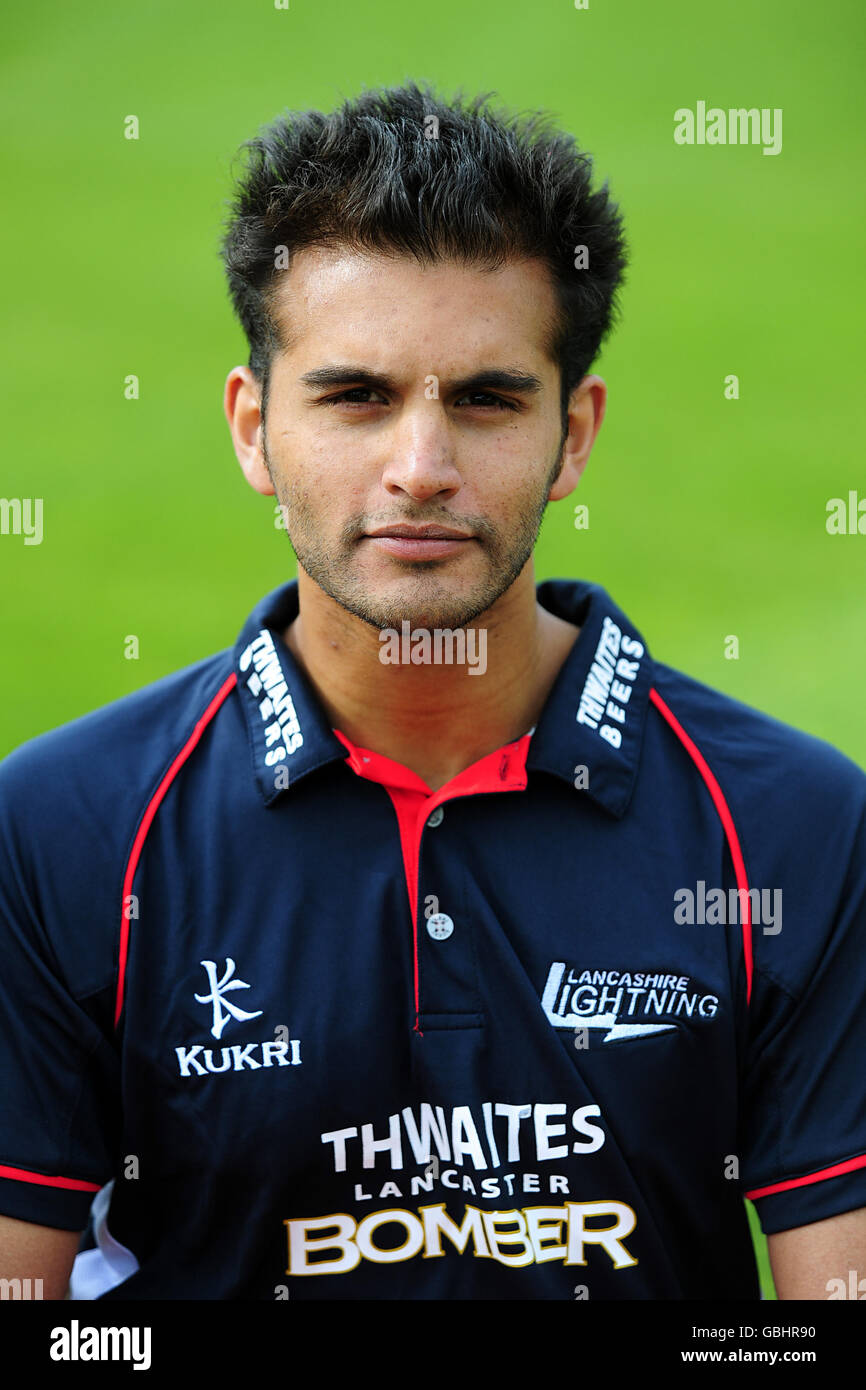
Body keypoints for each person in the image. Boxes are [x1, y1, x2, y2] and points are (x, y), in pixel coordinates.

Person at [1, 80, 864, 1301]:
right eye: (354, 396)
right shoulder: (56, 831)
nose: (421, 468)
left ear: (572, 435)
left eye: (485, 399)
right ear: (252, 429)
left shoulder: (793, 826)